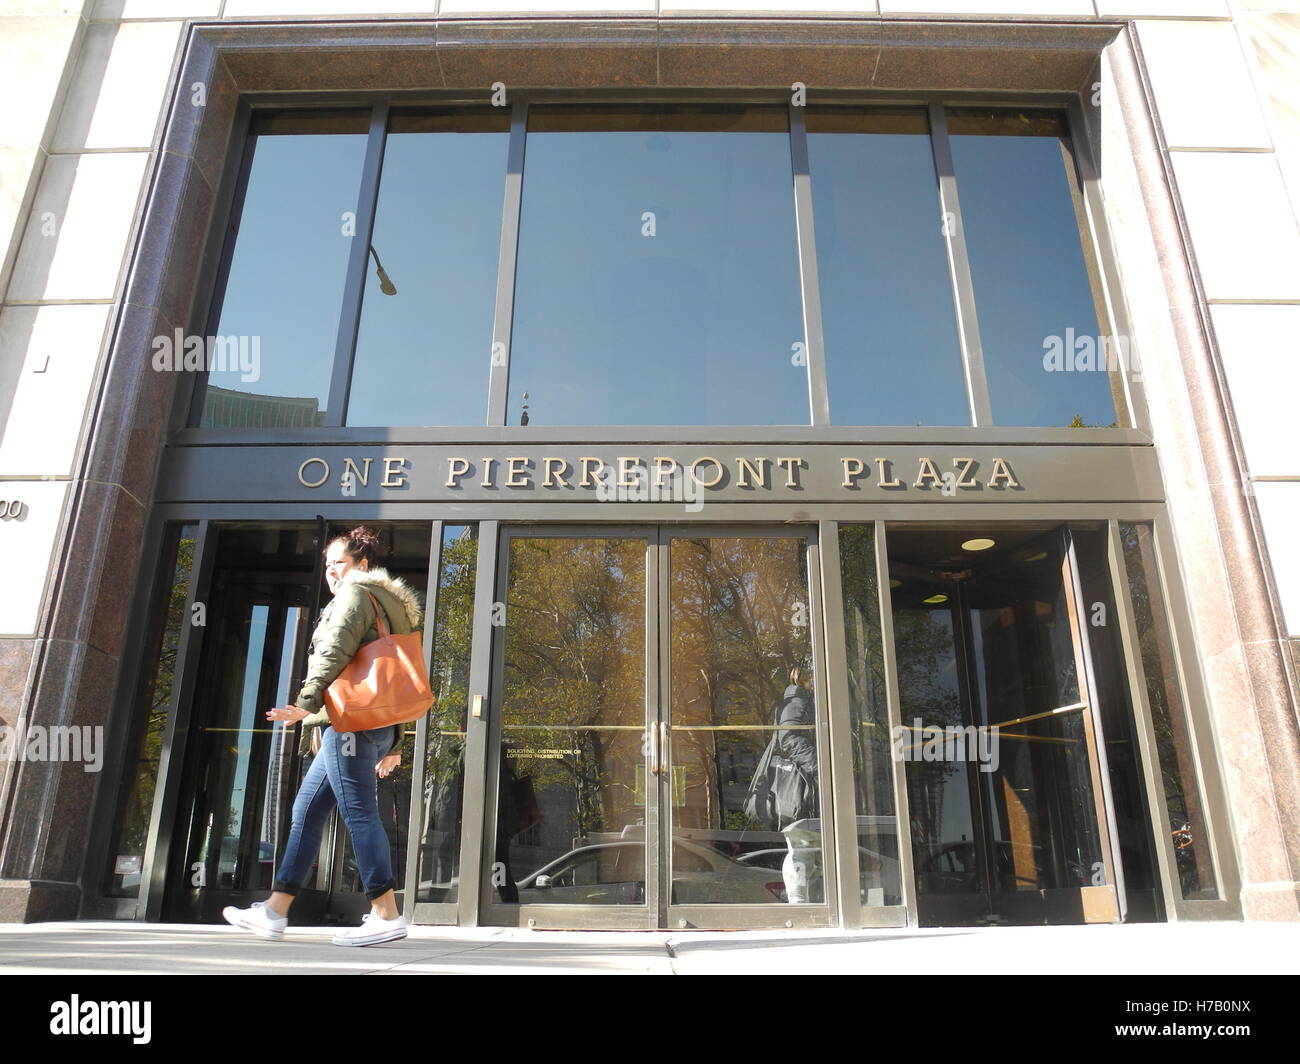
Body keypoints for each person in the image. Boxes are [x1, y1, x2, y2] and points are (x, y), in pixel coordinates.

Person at [222, 525, 423, 946]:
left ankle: (386, 914)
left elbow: (334, 649)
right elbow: (393, 679)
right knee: (306, 813)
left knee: (359, 813)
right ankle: (275, 911)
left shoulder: (354, 595)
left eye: (339, 563)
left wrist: (307, 702)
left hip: (350, 726)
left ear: (361, 565)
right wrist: (396, 740)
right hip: (372, 725)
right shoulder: (390, 604)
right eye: (327, 564)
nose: (331, 572)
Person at [776, 665, 819, 904]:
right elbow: (788, 738)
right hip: (804, 786)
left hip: (808, 784)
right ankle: (797, 901)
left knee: (808, 847)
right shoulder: (796, 699)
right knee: (802, 847)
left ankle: (802, 899)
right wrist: (821, 767)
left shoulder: (802, 699)